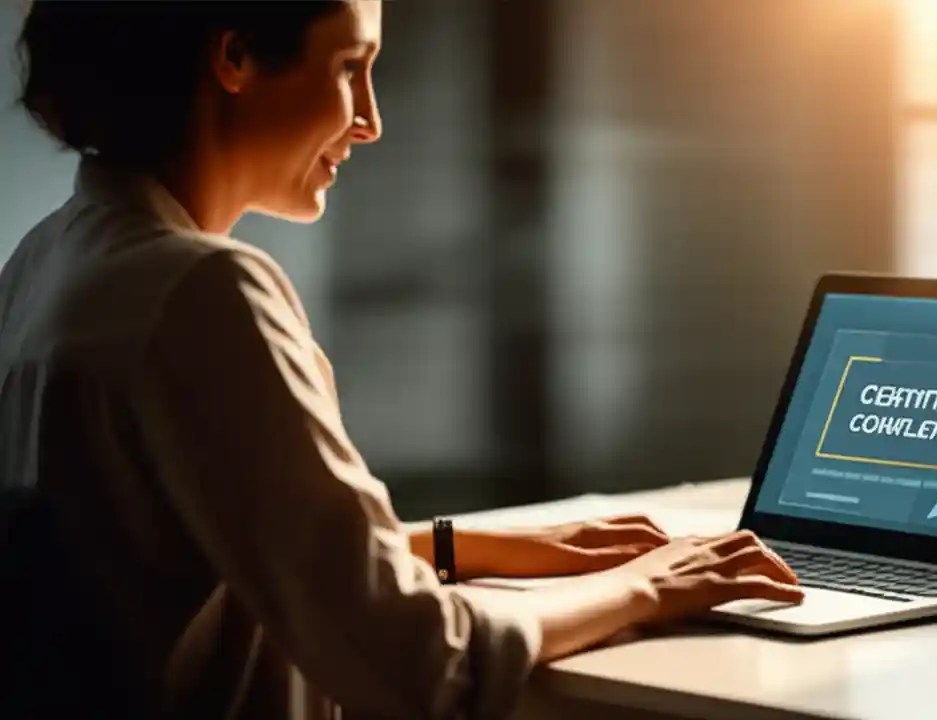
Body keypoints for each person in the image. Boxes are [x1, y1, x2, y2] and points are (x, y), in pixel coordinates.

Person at [0, 1, 803, 718]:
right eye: (351, 67)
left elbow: (191, 550)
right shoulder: (204, 291)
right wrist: (645, 588)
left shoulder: (44, 261)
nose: (371, 120)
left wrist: (465, 548)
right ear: (235, 56)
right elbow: (414, 660)